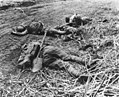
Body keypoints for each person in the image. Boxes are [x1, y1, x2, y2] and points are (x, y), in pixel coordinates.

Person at [17, 41, 85, 77]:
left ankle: (77, 74)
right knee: (68, 57)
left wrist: (27, 59)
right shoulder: (32, 43)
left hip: (42, 59)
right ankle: (86, 61)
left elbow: (20, 64)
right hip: (47, 49)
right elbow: (44, 43)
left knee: (64, 65)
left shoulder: (23, 54)